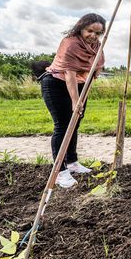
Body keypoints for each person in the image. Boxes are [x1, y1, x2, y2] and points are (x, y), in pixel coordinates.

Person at [40, 13, 106, 188]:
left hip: (79, 85)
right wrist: (76, 102)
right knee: (63, 126)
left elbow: (94, 74)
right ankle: (60, 172)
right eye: (89, 31)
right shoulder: (70, 44)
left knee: (75, 123)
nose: (93, 35)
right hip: (56, 84)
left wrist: (83, 98)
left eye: (97, 33)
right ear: (81, 28)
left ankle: (72, 163)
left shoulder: (97, 47)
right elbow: (69, 75)